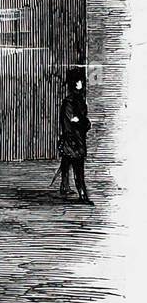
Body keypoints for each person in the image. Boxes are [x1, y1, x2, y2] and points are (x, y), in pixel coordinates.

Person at [58, 66, 93, 205]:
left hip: (78, 138)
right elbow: (69, 122)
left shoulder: (80, 100)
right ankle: (83, 194)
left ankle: (64, 185)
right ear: (73, 83)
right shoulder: (69, 102)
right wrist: (80, 123)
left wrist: (82, 122)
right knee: (77, 167)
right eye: (78, 81)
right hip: (72, 139)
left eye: (81, 81)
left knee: (68, 162)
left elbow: (83, 122)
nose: (81, 84)